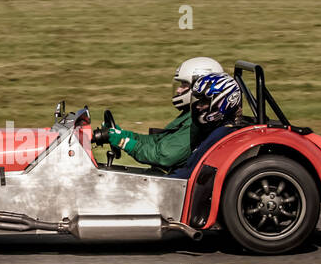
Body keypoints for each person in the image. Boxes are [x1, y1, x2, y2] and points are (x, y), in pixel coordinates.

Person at [91, 56, 223, 172]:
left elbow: (163, 156)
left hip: (172, 179)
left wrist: (125, 143)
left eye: (184, 84)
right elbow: (158, 141)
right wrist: (125, 135)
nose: (178, 90)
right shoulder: (191, 114)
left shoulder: (198, 122)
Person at [168, 72, 244, 178]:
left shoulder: (220, 134)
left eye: (203, 102)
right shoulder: (219, 128)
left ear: (221, 103)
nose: (198, 106)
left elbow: (187, 174)